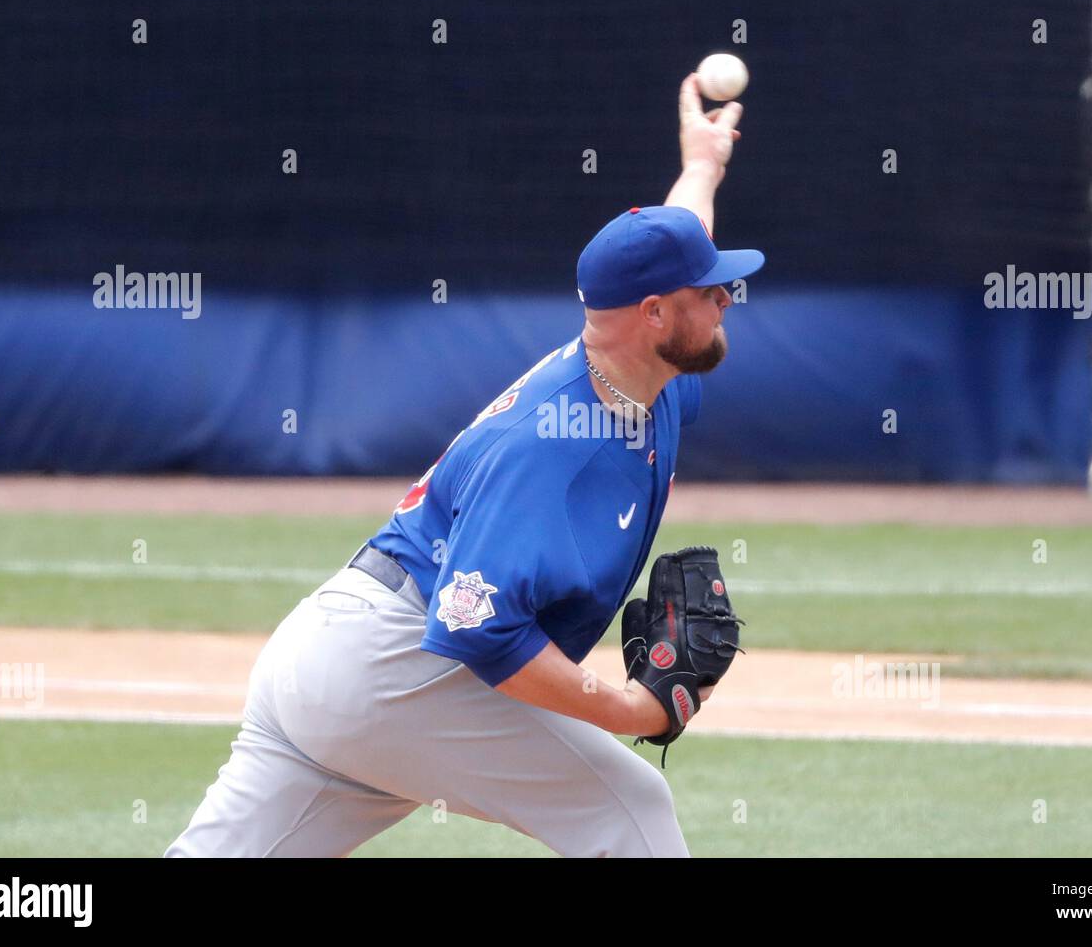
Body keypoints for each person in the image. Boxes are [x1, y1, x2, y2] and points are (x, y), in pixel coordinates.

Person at [165, 73, 764, 858]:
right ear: (653, 315)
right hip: (394, 667)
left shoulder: (645, 369)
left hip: (324, 659)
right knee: (631, 810)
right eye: (710, 288)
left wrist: (703, 164)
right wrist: (629, 710)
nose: (728, 295)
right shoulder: (553, 447)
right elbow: (478, 630)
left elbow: (676, 237)